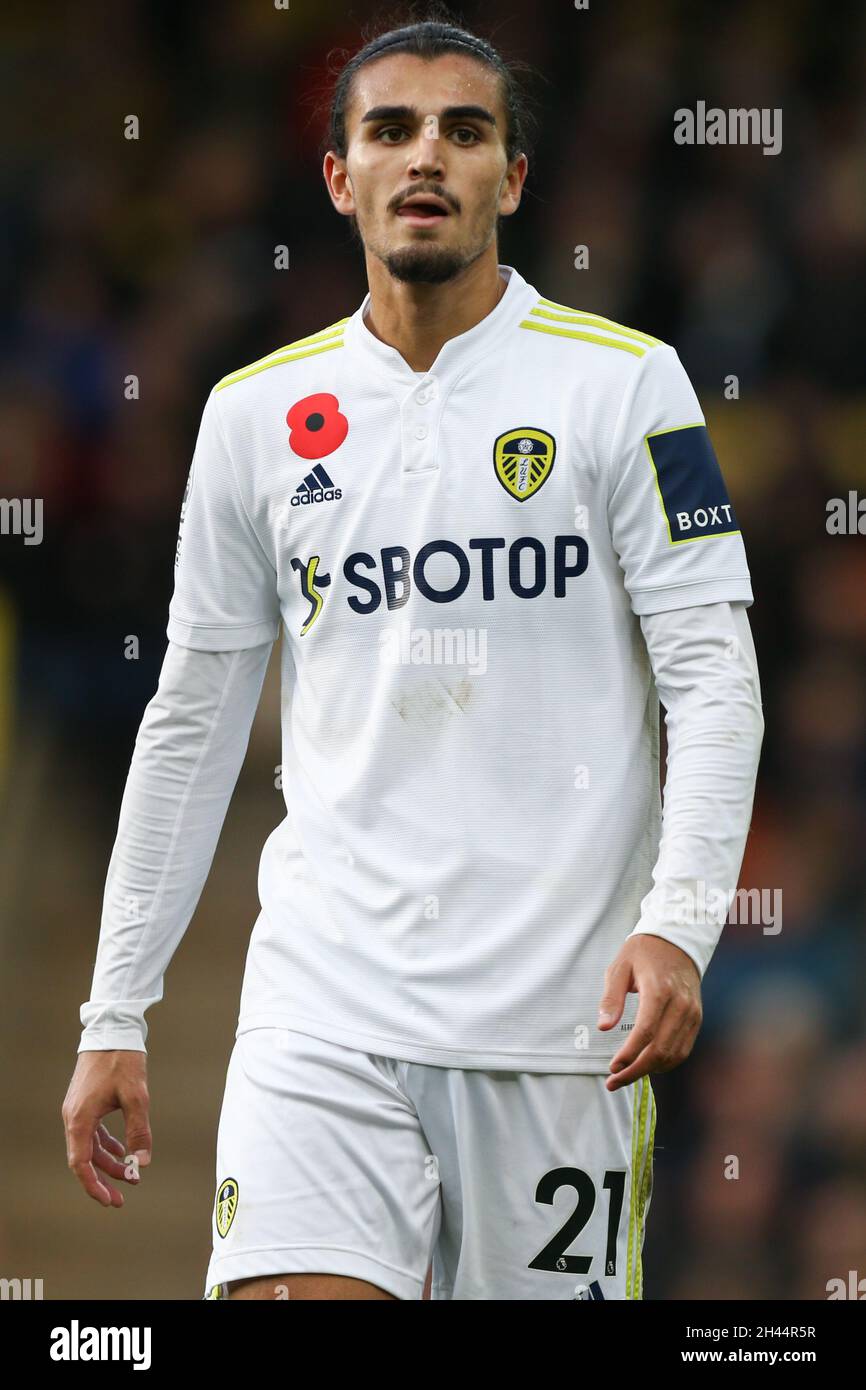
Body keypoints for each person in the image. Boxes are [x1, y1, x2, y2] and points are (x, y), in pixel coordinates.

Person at [62, 12, 764, 1301]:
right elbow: (194, 719)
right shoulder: (253, 418)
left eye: (466, 129)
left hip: (560, 1030)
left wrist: (679, 926)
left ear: (514, 177)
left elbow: (715, 676)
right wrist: (118, 1008)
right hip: (324, 1008)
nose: (426, 155)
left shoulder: (632, 389)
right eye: (390, 129)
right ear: (340, 177)